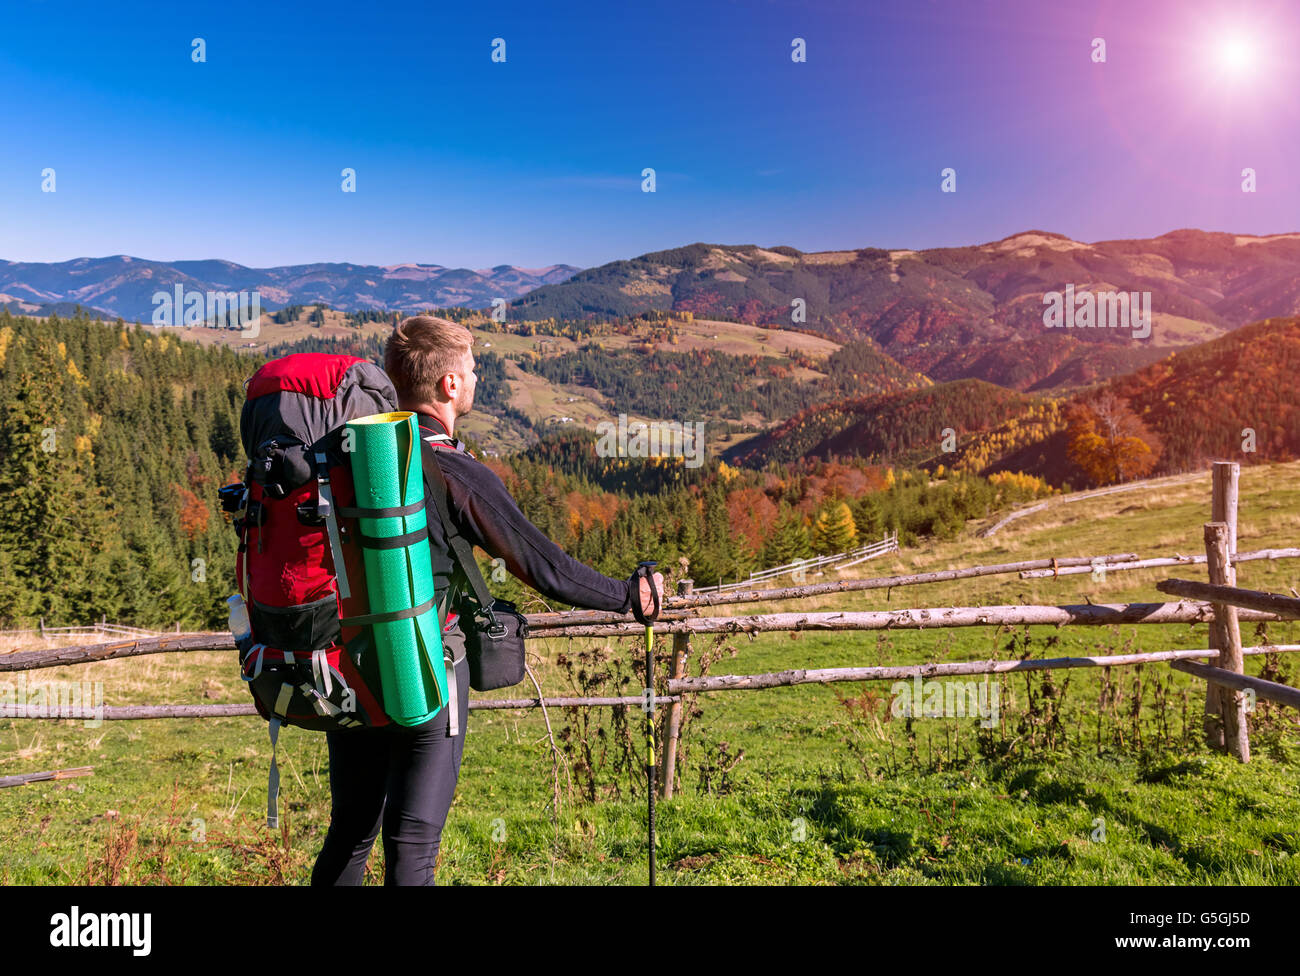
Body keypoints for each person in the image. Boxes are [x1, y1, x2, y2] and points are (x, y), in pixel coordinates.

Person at [311, 314, 663, 885]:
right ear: (449, 385)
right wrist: (626, 594)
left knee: (350, 836)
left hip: (351, 669)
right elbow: (544, 565)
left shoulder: (354, 460)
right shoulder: (452, 467)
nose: (475, 380)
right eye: (472, 370)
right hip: (426, 672)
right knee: (413, 850)